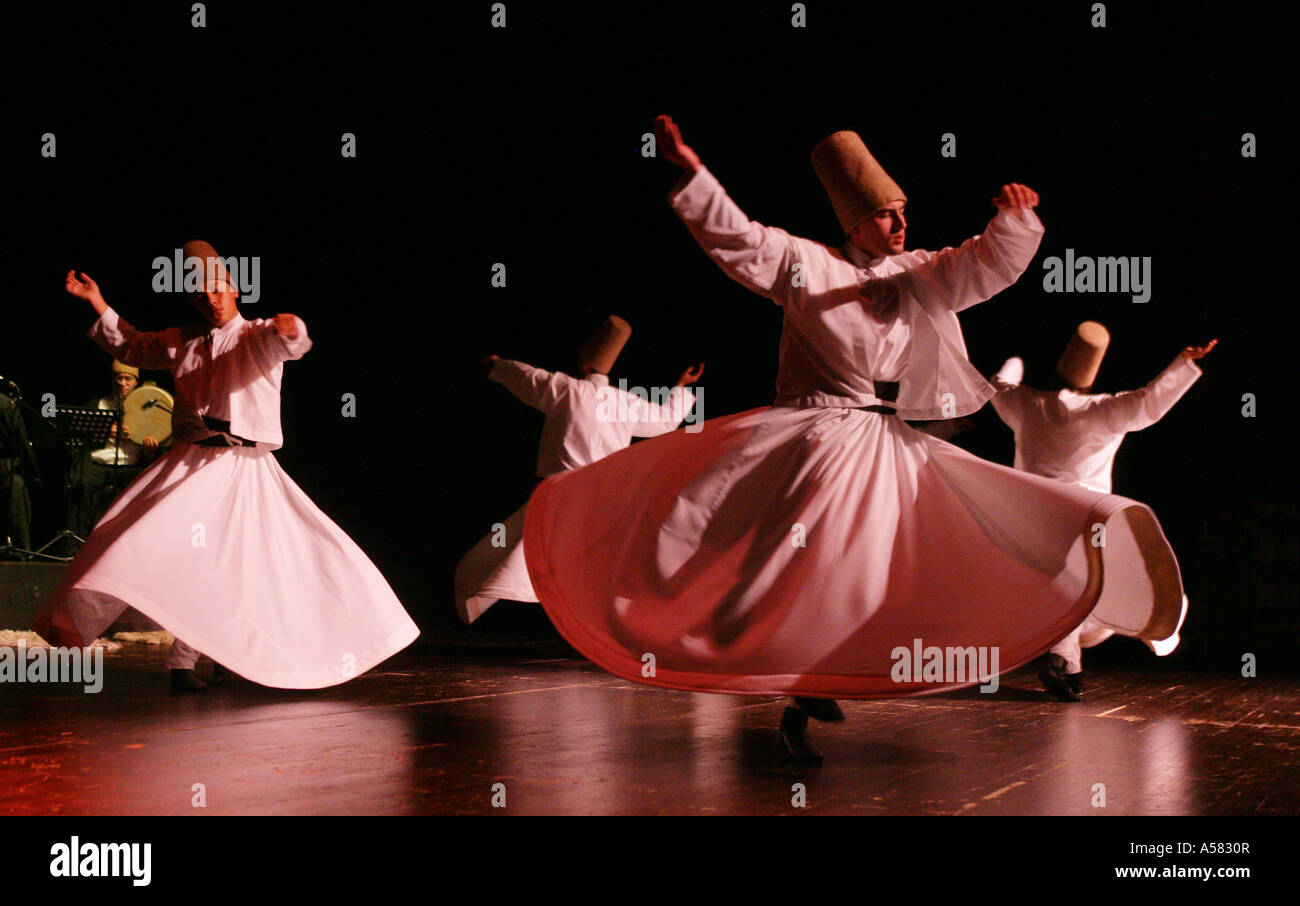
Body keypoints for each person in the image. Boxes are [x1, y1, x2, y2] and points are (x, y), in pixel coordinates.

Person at [519, 116, 1187, 764]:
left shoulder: (918, 274)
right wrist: (694, 173)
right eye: (887, 215)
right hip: (814, 433)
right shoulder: (807, 264)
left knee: (905, 554)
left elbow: (983, 266)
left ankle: (817, 678)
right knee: (790, 557)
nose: (901, 224)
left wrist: (1012, 220)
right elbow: (740, 240)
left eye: (904, 212)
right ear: (855, 223)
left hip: (881, 438)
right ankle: (756, 653)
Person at [33, 240, 419, 692]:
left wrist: (293, 328)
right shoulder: (180, 340)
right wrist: (96, 301)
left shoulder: (257, 334)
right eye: (200, 295)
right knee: (129, 533)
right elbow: (133, 346)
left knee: (258, 561)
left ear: (235, 289)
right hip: (192, 462)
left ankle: (208, 657)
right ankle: (118, 636)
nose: (211, 300)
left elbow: (291, 343)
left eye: (217, 290)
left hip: (244, 466)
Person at [990, 322, 1217, 700]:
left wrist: (1013, 365)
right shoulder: (1101, 409)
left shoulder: (1029, 404)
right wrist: (1184, 362)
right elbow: (1149, 403)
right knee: (1100, 587)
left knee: (1064, 592)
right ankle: (1072, 660)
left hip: (1035, 518)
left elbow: (998, 388)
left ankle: (1067, 665)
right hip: (1087, 520)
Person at [456, 315, 702, 623]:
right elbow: (665, 420)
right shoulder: (624, 402)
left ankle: (504, 597)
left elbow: (528, 377)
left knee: (523, 549)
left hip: (564, 492)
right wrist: (681, 387)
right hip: (606, 497)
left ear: (584, 364)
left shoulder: (567, 388)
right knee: (594, 561)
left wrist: (498, 365)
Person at [67, 359, 164, 540]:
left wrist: (149, 448)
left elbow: (151, 450)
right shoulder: (99, 404)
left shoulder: (148, 408)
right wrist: (105, 431)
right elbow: (78, 435)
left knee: (149, 486)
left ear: (136, 382)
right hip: (100, 463)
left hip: (130, 464)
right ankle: (79, 541)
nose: (123, 383)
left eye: (128, 379)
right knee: (82, 484)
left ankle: (134, 541)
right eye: (119, 378)